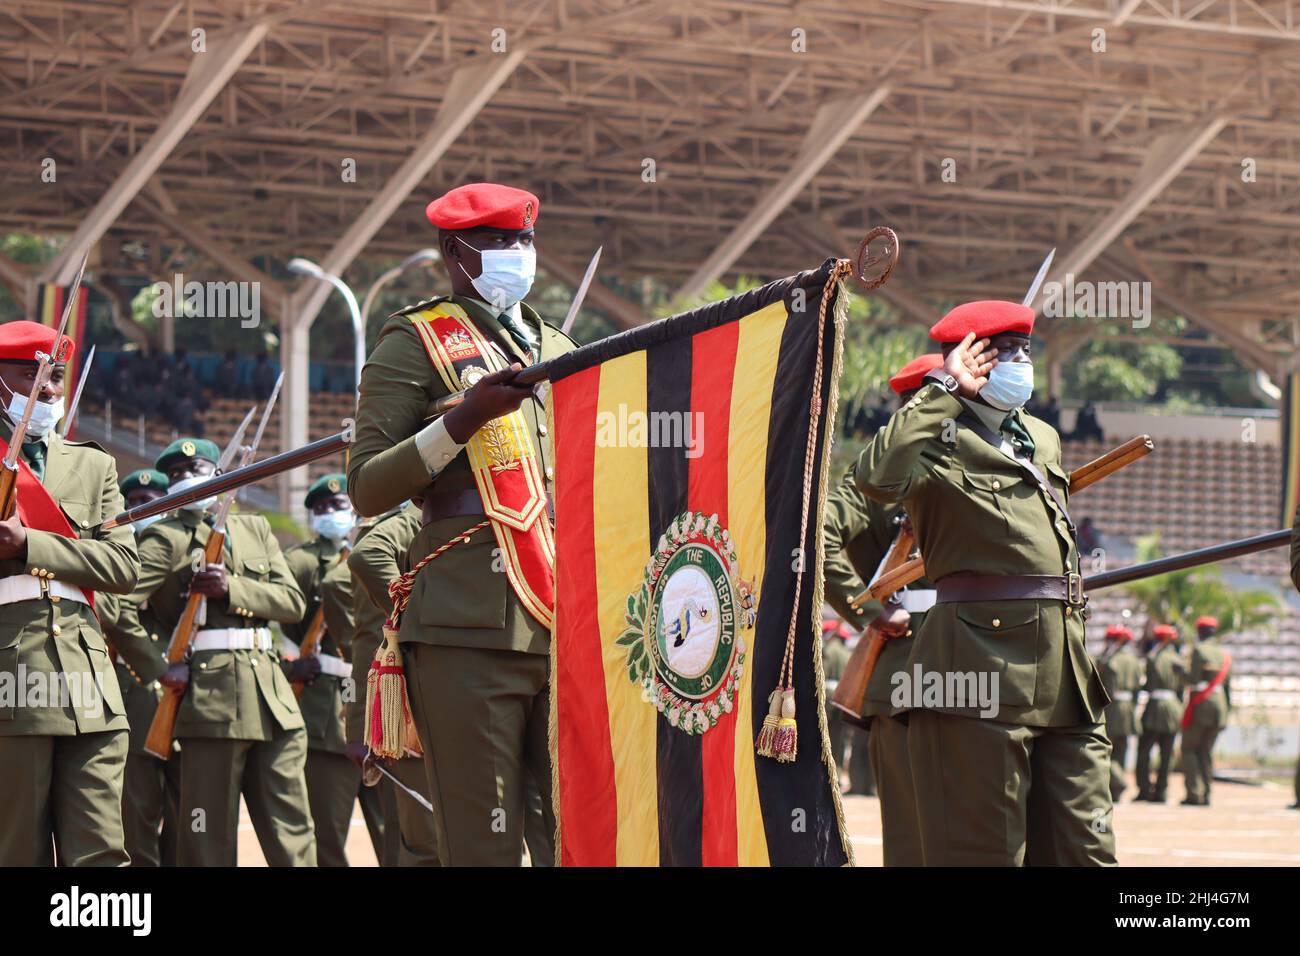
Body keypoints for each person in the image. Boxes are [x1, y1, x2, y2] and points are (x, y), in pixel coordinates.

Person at [348, 182, 574, 866]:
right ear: (455, 250)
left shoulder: (561, 344)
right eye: (502, 242)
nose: (518, 254)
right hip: (466, 626)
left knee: (579, 833)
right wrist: (463, 419)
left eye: (525, 241)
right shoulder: (413, 338)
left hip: (563, 620)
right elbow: (367, 485)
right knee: (484, 842)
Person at [857, 301, 1115, 866]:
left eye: (1025, 350)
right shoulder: (932, 437)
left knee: (1086, 853)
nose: (1019, 362)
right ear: (966, 360)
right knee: (986, 854)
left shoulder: (1041, 439)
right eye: (1003, 353)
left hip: (1064, 673)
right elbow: (874, 478)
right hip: (977, 673)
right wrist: (943, 389)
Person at [112, 437, 315, 866]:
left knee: (291, 832)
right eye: (178, 476)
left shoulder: (254, 528)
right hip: (210, 703)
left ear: (218, 475)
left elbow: (291, 602)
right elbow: (116, 604)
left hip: (273, 700)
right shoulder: (165, 536)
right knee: (207, 837)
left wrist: (232, 588)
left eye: (197, 471)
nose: (187, 480)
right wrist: (157, 667)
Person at [0, 322, 140, 866]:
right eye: (29, 373)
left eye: (55, 375)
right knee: (17, 850)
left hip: (90, 687)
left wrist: (28, 542)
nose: (49, 389)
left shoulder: (93, 464)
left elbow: (123, 564)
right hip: (13, 681)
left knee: (101, 853)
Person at [823, 353, 944, 864]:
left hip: (975, 658)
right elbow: (819, 536)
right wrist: (870, 612)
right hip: (916, 657)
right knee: (915, 824)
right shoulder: (874, 478)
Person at [281, 474, 378, 865]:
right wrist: (291, 664)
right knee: (328, 835)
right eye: (321, 508)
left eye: (338, 507)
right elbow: (285, 619)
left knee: (397, 831)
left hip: (379, 698)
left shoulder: (375, 548)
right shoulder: (302, 561)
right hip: (327, 707)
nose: (331, 514)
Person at [345, 503, 442, 866]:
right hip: (409, 711)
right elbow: (369, 641)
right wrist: (360, 729)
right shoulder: (402, 531)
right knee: (424, 840)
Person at [101, 468, 183, 866]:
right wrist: (156, 667)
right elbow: (116, 613)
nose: (143, 508)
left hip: (183, 692)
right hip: (133, 689)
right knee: (139, 814)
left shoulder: (174, 545)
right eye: (134, 502)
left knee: (186, 818)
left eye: (151, 500)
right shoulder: (117, 553)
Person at [1181, 615, 1231, 806]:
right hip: (1219, 708)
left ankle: (1194, 793)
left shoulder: (1199, 651)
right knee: (1206, 752)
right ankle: (1207, 792)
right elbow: (1228, 688)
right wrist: (1227, 713)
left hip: (1202, 705)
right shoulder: (1224, 654)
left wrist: (1180, 673)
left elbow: (1193, 680)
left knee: (1189, 749)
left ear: (1199, 632)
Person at [1134, 623, 1184, 804]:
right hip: (1173, 709)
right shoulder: (1178, 660)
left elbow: (1148, 686)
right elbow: (1181, 688)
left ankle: (1144, 789)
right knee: (1166, 753)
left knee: (1144, 751)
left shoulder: (1153, 658)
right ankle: (1161, 791)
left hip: (1155, 708)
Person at [1094, 624, 1142, 802]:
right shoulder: (1134, 661)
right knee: (1122, 750)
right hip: (1129, 709)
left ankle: (1118, 783)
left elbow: (1103, 688)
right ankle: (1116, 790)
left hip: (1112, 709)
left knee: (1108, 749)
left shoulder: (1109, 661)